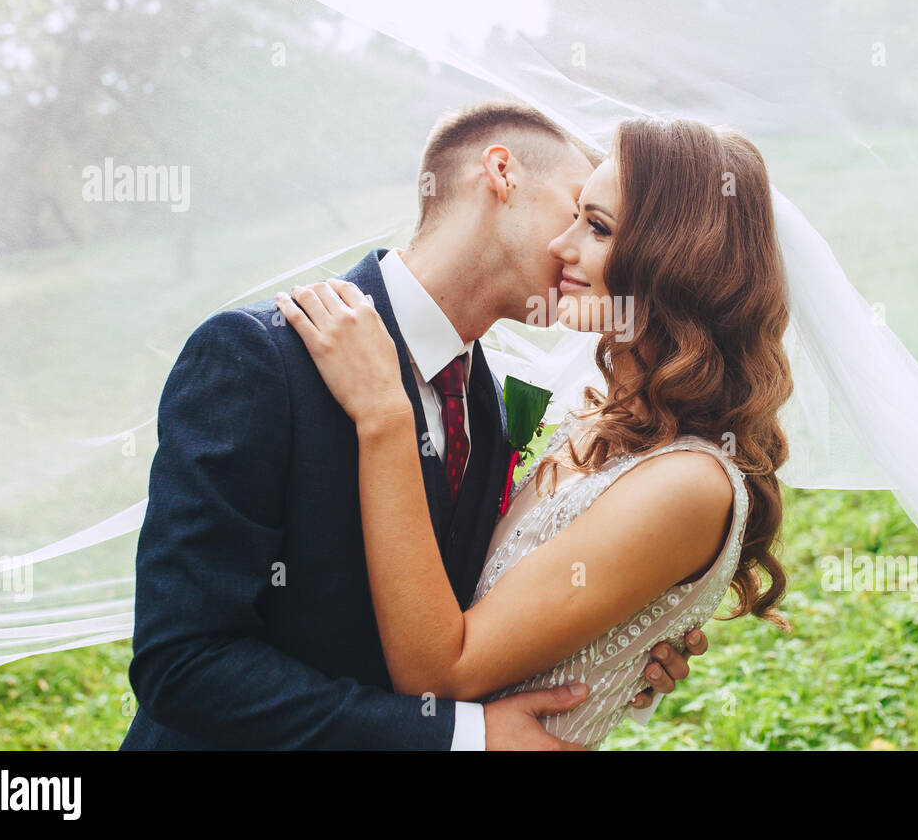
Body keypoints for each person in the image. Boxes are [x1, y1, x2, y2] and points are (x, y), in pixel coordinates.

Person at [121, 102, 709, 750]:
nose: (581, 247)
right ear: (501, 173)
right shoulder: (259, 357)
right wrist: (457, 737)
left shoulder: (485, 401)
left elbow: (463, 618)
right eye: (577, 212)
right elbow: (183, 665)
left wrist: (613, 648)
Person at [277, 116, 794, 747]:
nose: (561, 246)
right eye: (575, 216)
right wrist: (621, 638)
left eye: (596, 226)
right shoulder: (591, 424)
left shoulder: (687, 481)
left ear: (672, 260)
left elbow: (440, 671)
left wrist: (386, 417)